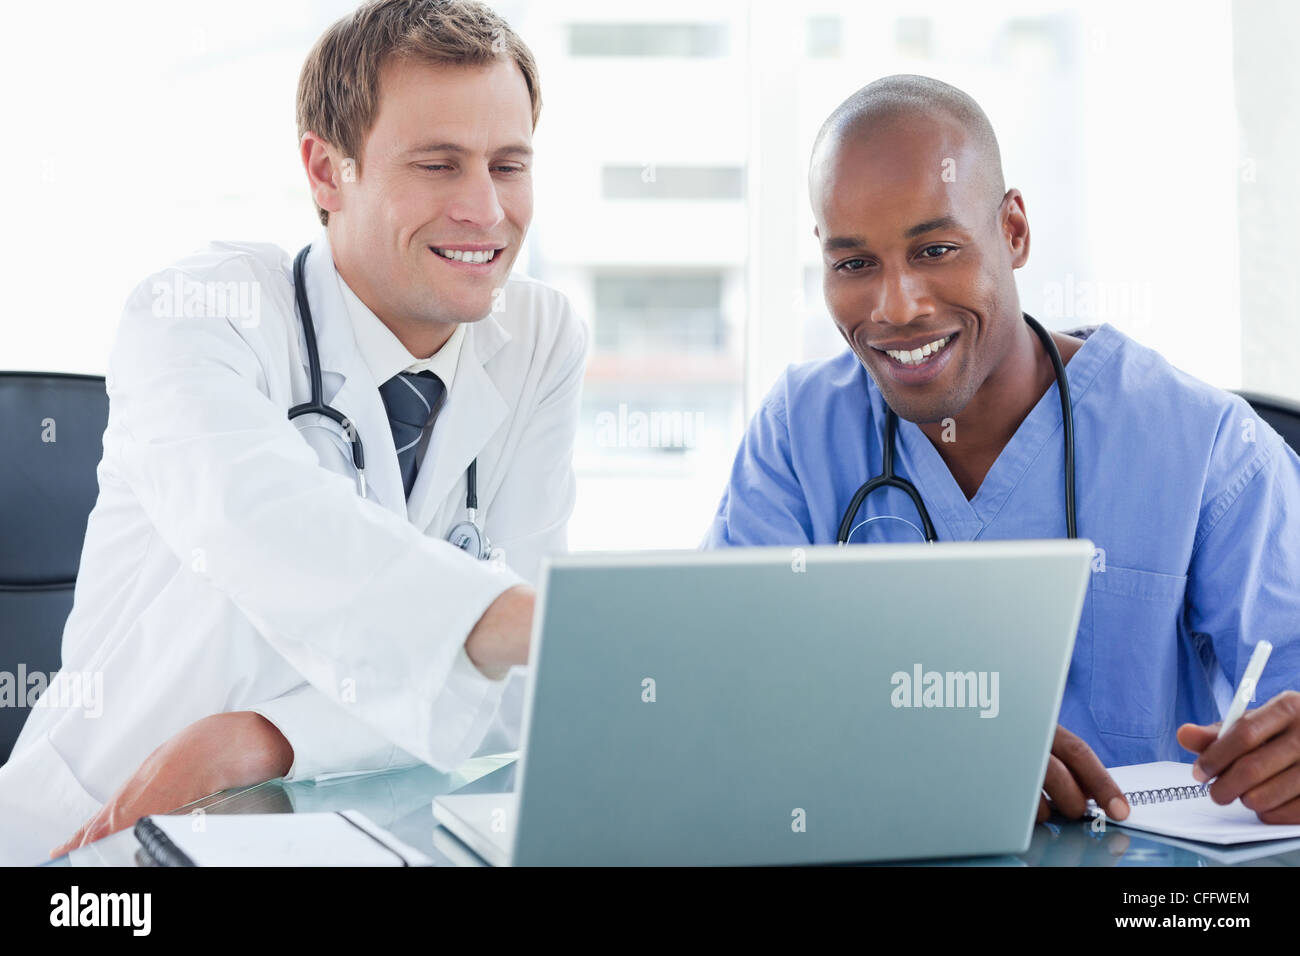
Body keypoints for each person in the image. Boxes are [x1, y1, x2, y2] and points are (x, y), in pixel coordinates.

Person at [0, 0, 586, 864]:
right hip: (99, 840)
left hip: (350, 832)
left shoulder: (536, 341)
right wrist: (495, 621)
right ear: (325, 171)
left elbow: (511, 694)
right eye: (438, 164)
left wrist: (270, 740)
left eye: (508, 165)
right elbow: (264, 526)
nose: (485, 209)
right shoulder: (199, 314)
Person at [704, 74, 1300, 826]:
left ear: (1014, 231)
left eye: (937, 248)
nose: (897, 306)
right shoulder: (799, 434)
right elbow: (725, 699)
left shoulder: (1201, 444)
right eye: (854, 264)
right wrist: (931, 749)